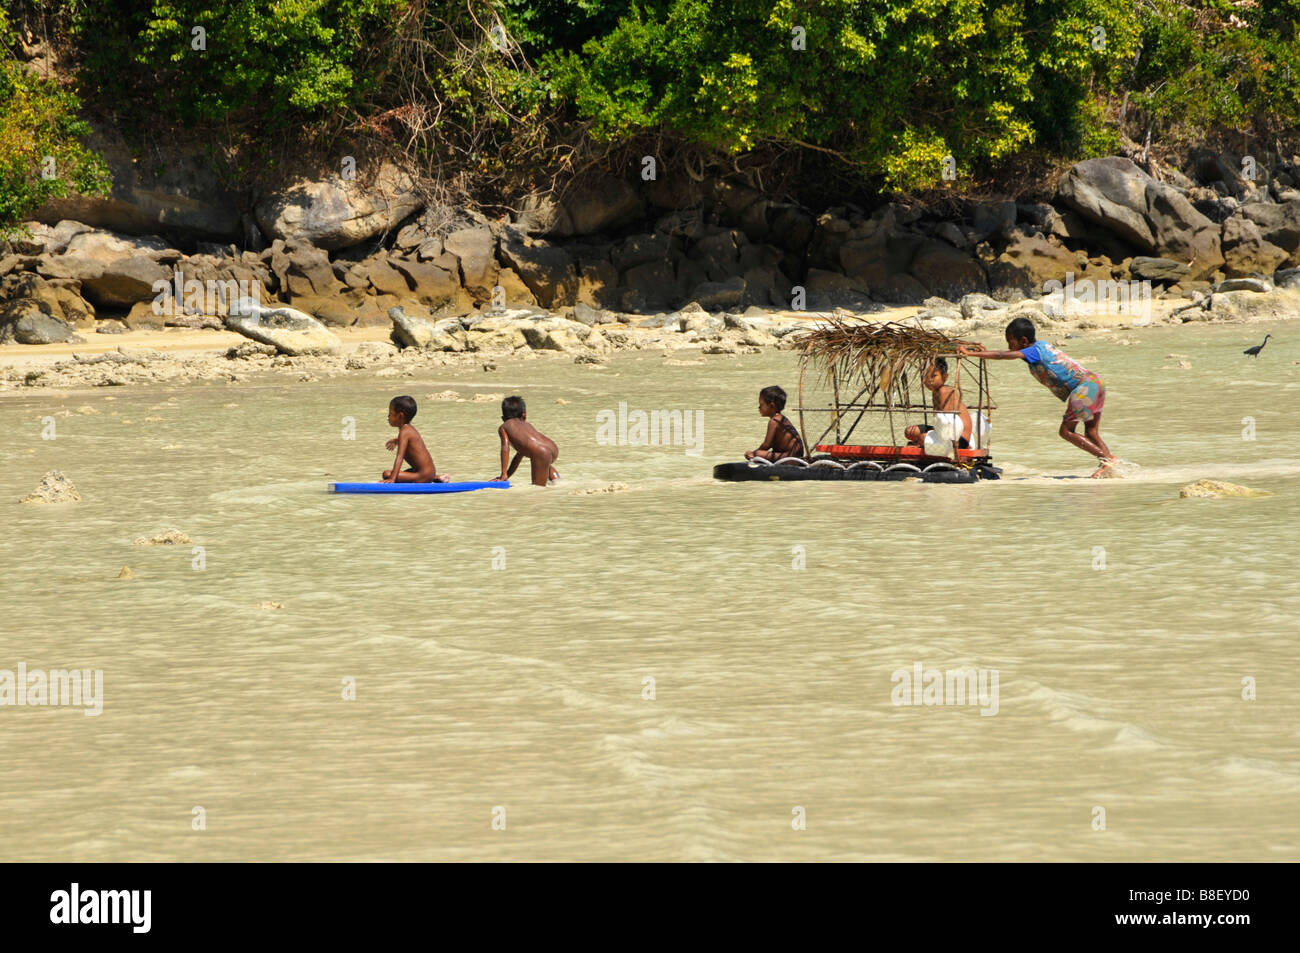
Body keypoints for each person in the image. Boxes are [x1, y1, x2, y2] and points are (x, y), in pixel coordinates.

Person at [957, 317, 1117, 477]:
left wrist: (971, 354)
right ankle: (1109, 467)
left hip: (1083, 389)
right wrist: (979, 350)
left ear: (1023, 341)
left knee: (1066, 431)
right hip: (1095, 381)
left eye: (1010, 342)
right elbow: (1003, 353)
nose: (1009, 347)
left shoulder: (1032, 351)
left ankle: (1107, 459)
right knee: (1091, 432)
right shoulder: (1042, 346)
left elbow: (1001, 355)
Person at [904, 357, 972, 451]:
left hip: (958, 437)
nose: (929, 380)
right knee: (910, 431)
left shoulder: (944, 391)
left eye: (933, 376)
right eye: (926, 376)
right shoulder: (936, 391)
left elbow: (947, 425)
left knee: (921, 437)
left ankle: (923, 444)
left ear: (945, 377)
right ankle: (924, 442)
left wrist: (922, 439)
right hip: (944, 430)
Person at [383, 395, 448, 483]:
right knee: (397, 473)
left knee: (387, 474)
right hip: (427, 472)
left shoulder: (404, 431)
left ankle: (430, 478)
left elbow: (400, 456)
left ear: (400, 416)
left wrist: (392, 479)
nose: (388, 417)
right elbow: (411, 444)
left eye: (391, 414)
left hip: (423, 475)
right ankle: (436, 478)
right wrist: (396, 441)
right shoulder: (409, 429)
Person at [497, 395, 559, 486]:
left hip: (541, 453)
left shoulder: (504, 427)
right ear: (524, 415)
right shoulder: (527, 426)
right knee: (544, 464)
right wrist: (507, 475)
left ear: (503, 419)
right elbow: (517, 458)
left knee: (538, 489)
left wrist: (503, 474)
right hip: (553, 447)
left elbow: (505, 448)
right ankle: (559, 482)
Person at [745, 385, 806, 461]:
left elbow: (767, 445)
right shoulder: (781, 418)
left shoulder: (774, 421)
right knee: (760, 453)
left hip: (789, 457)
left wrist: (754, 453)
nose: (759, 408)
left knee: (755, 454)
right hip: (792, 455)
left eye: (761, 405)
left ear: (771, 406)